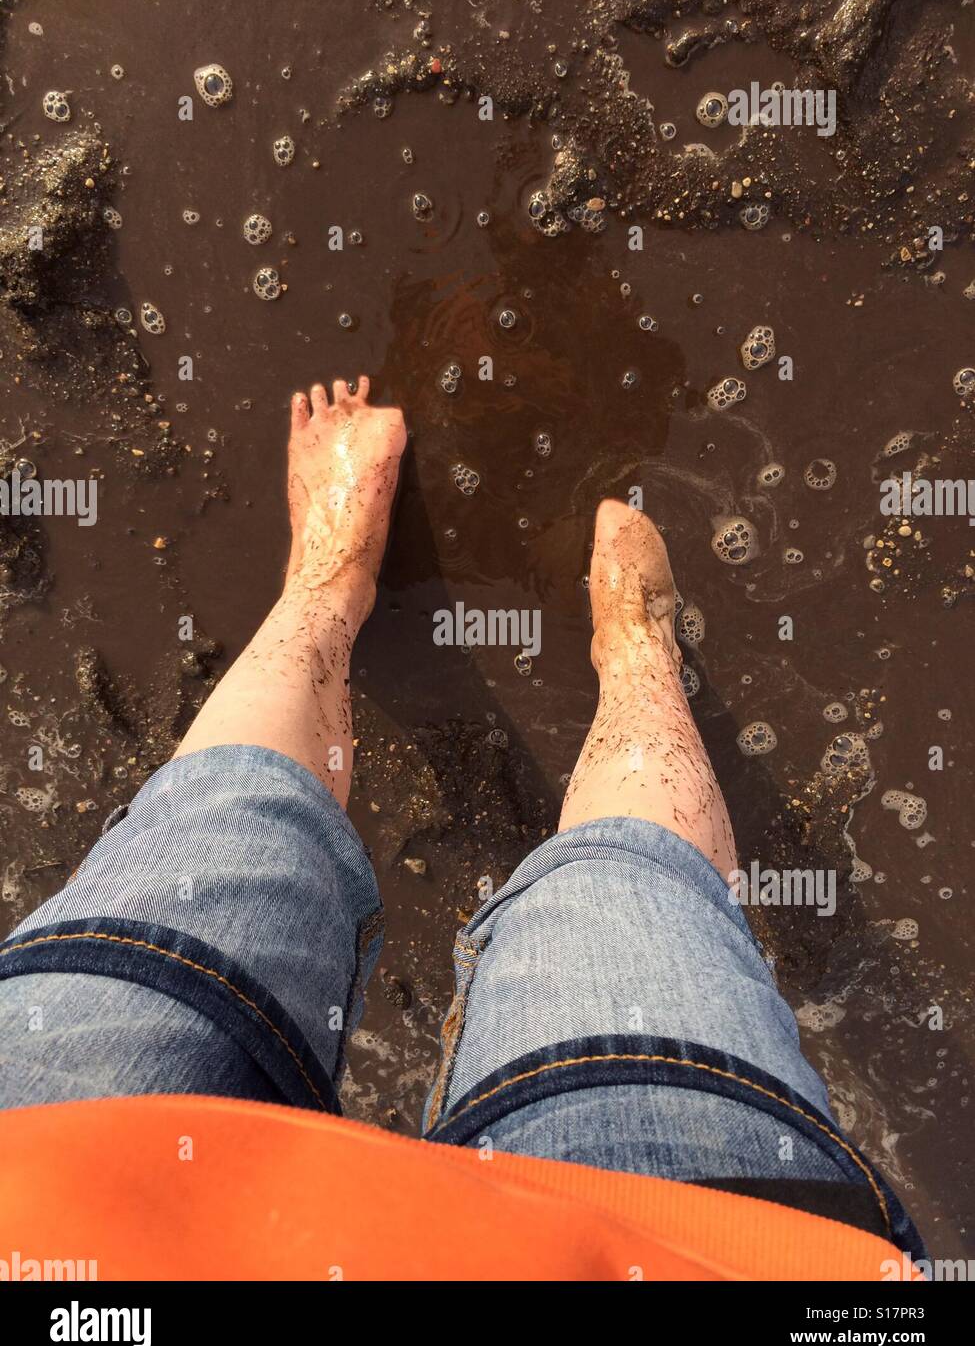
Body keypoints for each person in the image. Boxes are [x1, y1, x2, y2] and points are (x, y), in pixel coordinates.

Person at [0, 378, 923, 1280]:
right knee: (624, 898)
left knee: (226, 834)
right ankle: (639, 652)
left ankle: (326, 586)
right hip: (656, 1248)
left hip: (68, 1192)